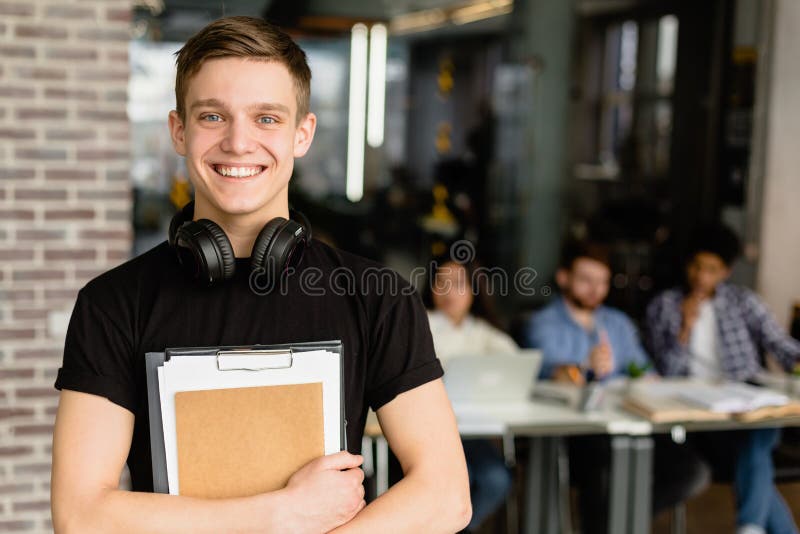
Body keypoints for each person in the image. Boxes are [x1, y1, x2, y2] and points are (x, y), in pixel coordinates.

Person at [51, 17, 470, 533]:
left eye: (266, 118)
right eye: (212, 116)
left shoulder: (375, 296)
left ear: (302, 134)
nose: (239, 142)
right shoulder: (112, 303)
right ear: (179, 131)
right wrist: (280, 514)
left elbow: (447, 496)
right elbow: (80, 516)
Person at [524, 240, 709, 534]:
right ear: (563, 277)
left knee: (691, 471)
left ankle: (619, 523)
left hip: (628, 424)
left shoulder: (618, 323)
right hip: (577, 433)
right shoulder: (543, 323)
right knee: (605, 471)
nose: (595, 289)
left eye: (602, 282)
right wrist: (583, 367)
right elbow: (545, 374)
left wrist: (646, 379)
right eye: (586, 280)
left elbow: (644, 371)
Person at [646, 224, 800, 534]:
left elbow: (781, 346)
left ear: (726, 272)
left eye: (712, 270)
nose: (702, 277)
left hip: (746, 398)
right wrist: (684, 329)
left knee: (757, 433)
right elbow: (665, 373)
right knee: (754, 464)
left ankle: (750, 527)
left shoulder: (744, 302)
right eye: (697, 267)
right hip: (698, 413)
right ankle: (751, 527)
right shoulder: (664, 306)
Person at [425, 256, 516, 531]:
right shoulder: (420, 323)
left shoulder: (481, 331)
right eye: (442, 283)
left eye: (459, 284)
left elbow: (514, 361)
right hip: (429, 432)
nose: (449, 292)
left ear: (474, 290)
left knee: (494, 478)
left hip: (471, 431)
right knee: (455, 482)